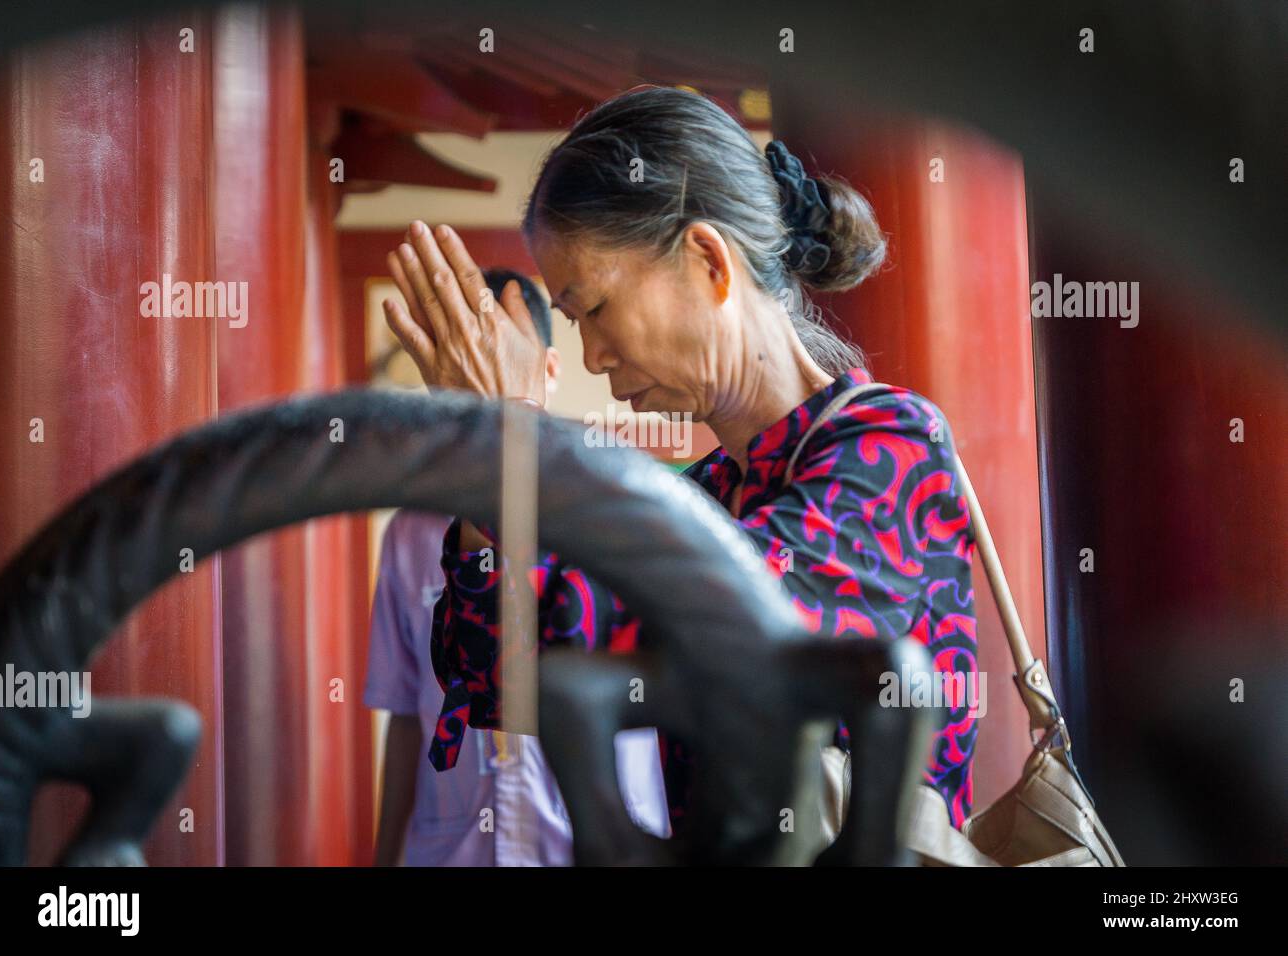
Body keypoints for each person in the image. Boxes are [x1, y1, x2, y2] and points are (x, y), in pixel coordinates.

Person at [382, 86, 978, 836]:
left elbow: (724, 635)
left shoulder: (892, 447)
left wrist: (511, 447)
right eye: (572, 324)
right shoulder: (703, 494)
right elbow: (504, 681)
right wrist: (483, 460)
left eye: (594, 309)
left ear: (707, 260)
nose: (593, 358)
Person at [365, 268, 670, 866]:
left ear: (549, 371)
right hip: (451, 852)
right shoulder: (410, 533)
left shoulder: (623, 506)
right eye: (455, 373)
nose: (472, 390)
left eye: (495, 364)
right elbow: (407, 717)